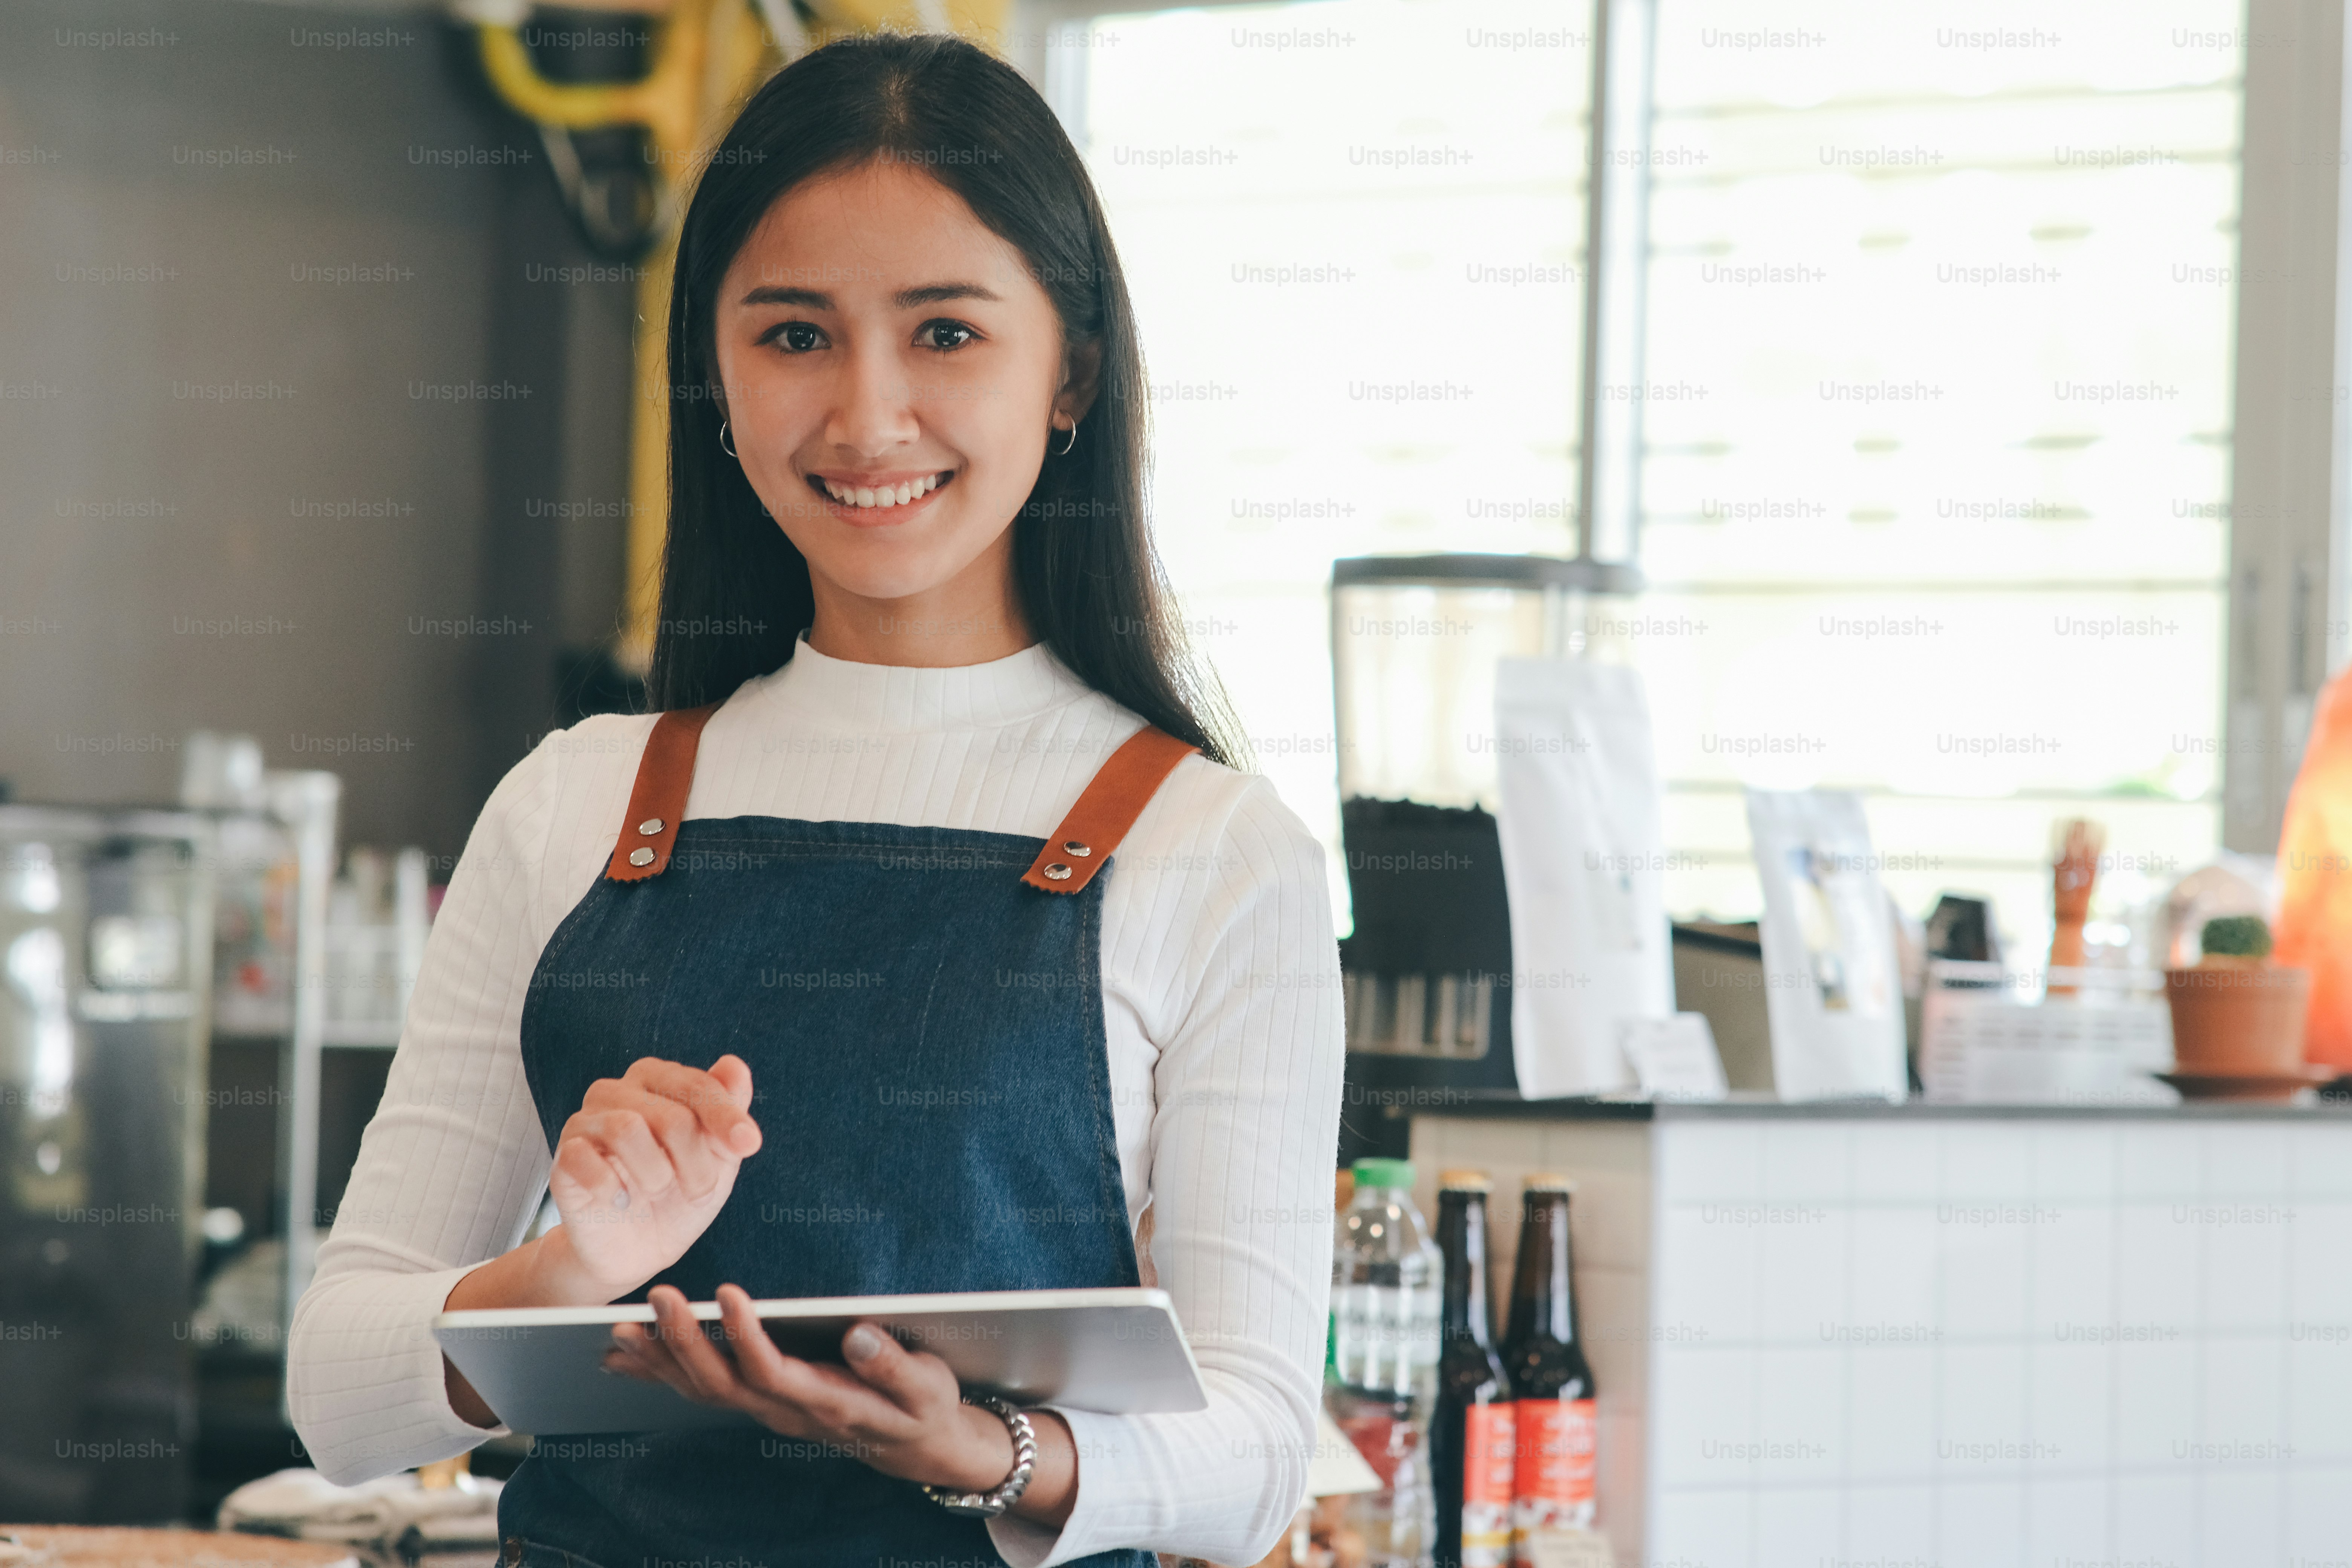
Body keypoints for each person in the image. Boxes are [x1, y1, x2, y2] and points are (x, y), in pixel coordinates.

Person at [285, 32, 1344, 1568]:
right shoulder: (575, 802)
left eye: (946, 333)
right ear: (714, 372)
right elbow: (338, 1394)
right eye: (794, 334)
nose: (866, 414)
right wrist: (570, 1267)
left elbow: (1258, 1455)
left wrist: (989, 1450)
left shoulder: (1216, 850)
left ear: (1076, 371)